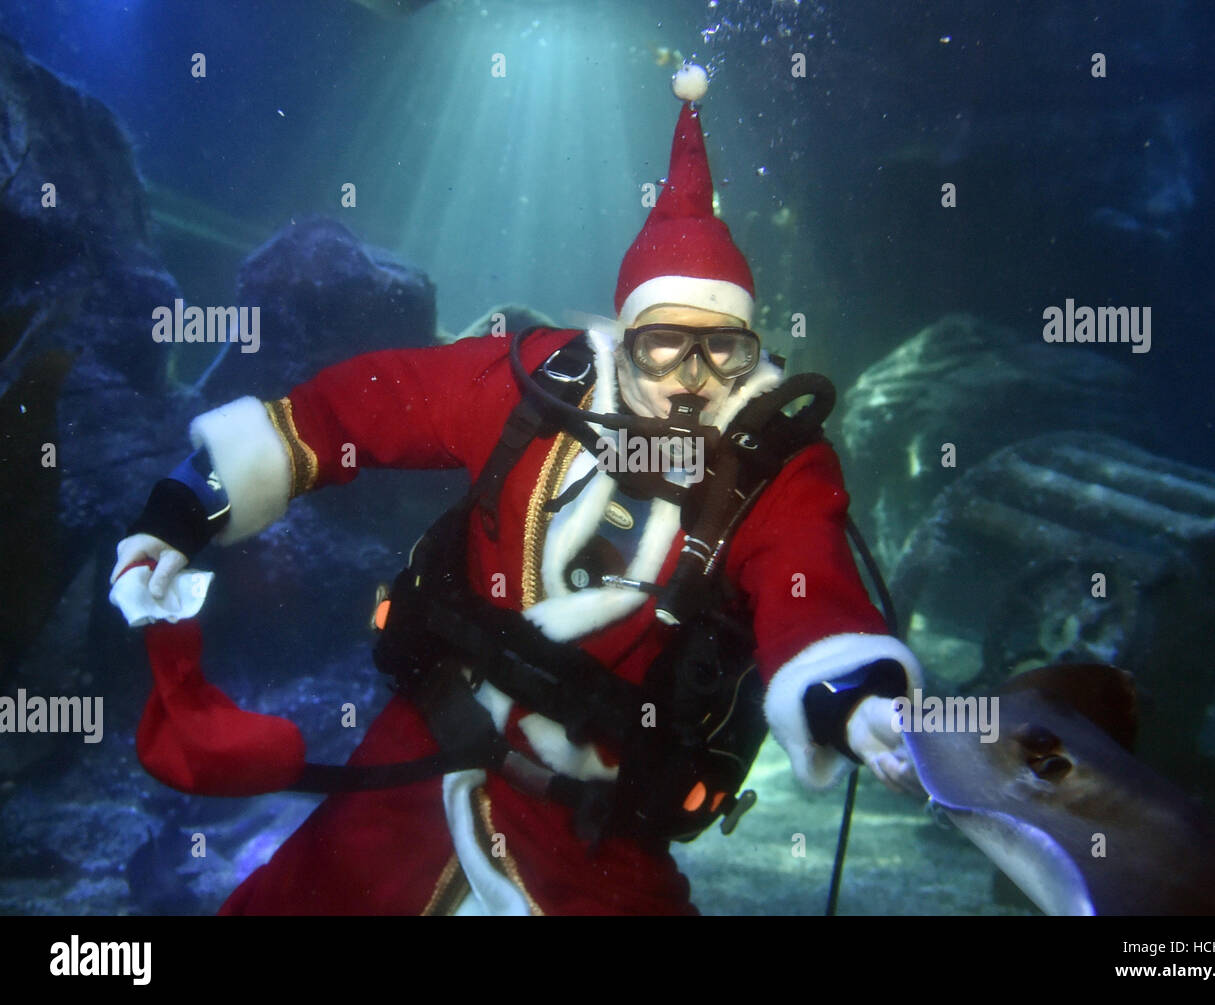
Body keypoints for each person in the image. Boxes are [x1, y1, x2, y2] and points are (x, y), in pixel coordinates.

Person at [109, 65, 924, 915]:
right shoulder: (538, 381)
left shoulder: (774, 462)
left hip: (600, 805)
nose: (695, 378)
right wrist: (184, 507)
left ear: (754, 346)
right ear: (621, 336)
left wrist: (850, 699)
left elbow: (813, 582)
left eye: (724, 349)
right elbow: (355, 410)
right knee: (308, 899)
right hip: (434, 730)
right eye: (665, 346)